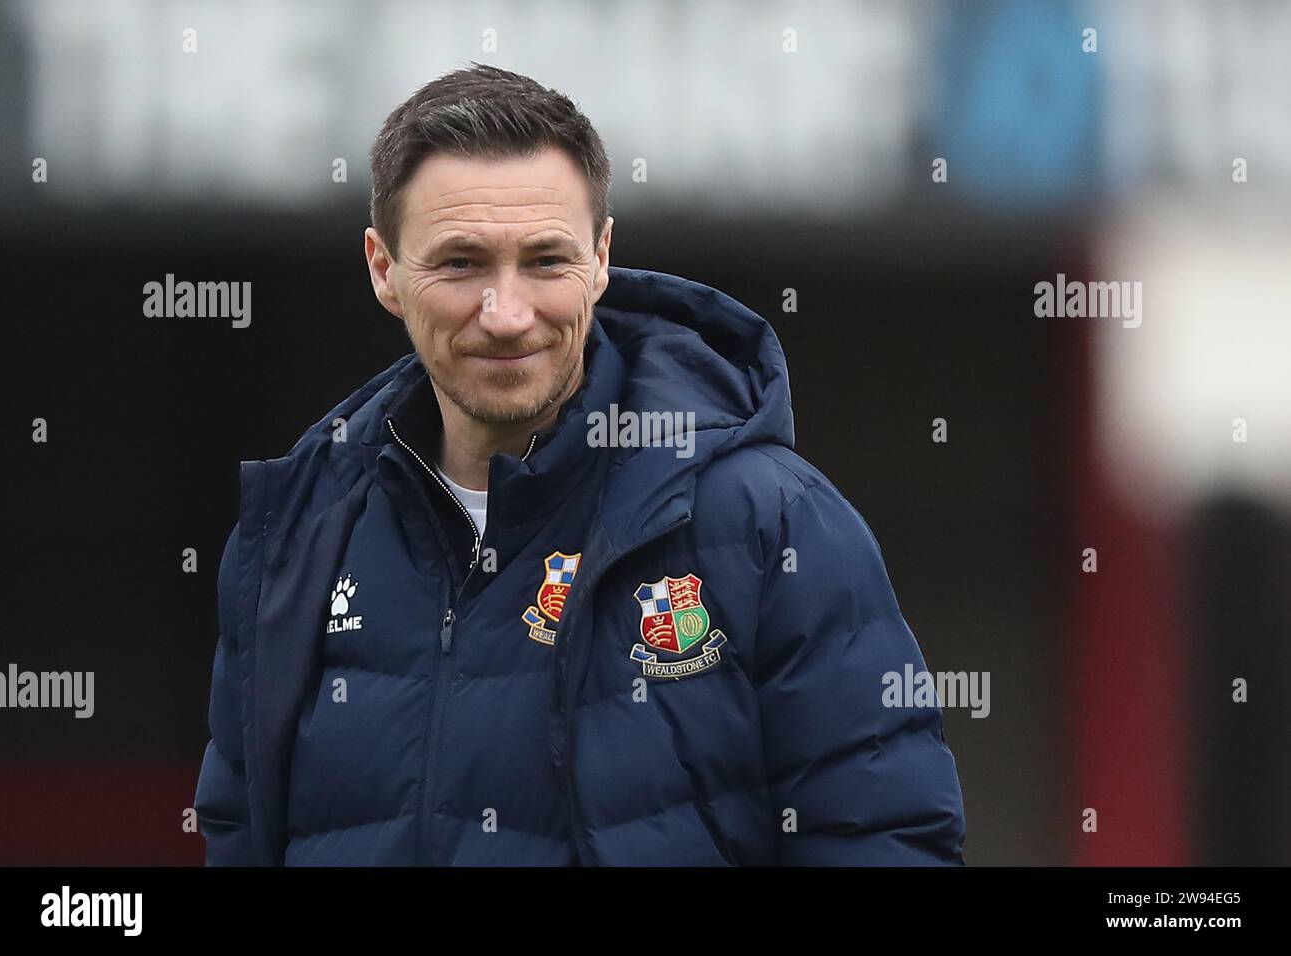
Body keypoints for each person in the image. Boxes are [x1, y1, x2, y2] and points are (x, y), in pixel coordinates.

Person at [193, 63, 966, 866]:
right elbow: (238, 832)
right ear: (383, 268)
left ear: (601, 257)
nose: (507, 314)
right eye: (459, 263)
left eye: (545, 261)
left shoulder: (772, 522)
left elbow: (887, 840)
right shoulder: (293, 538)